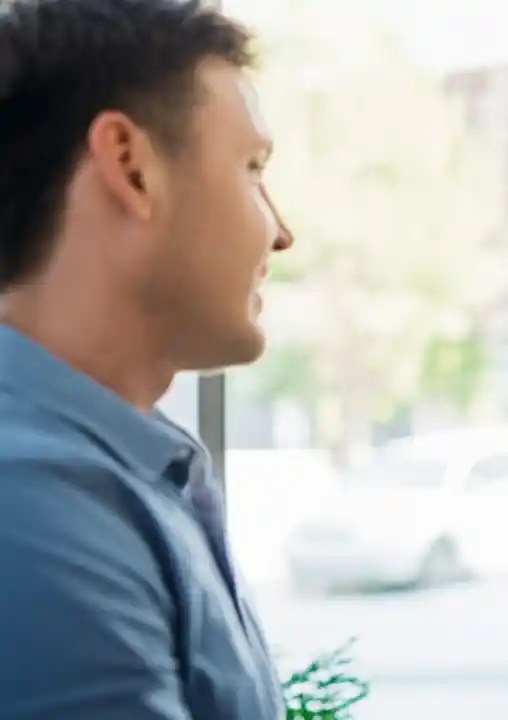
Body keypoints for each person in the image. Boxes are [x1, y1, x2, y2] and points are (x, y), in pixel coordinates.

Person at [0, 1, 293, 718]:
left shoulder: (118, 470)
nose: (282, 232)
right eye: (252, 169)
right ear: (130, 167)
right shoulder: (34, 501)